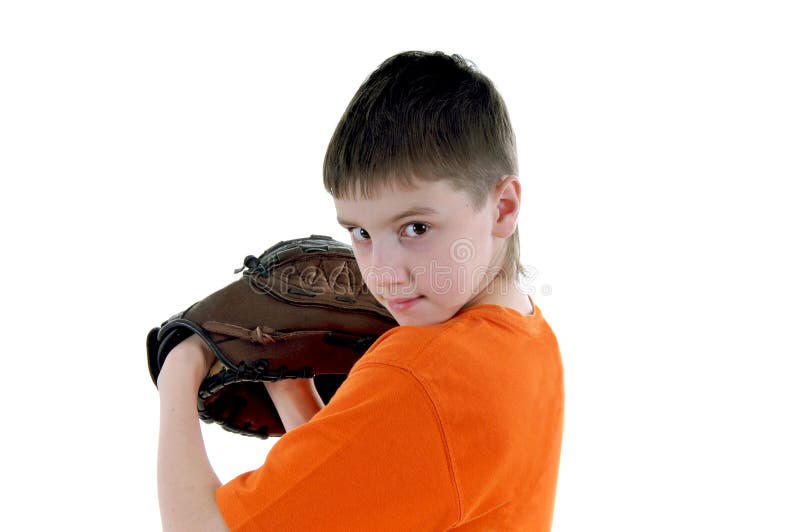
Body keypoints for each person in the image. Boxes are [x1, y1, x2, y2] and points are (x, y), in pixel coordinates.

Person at [157, 50, 564, 531]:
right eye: (361, 233)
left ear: (503, 208)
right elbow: (363, 488)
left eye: (415, 228)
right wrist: (291, 390)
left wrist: (180, 363)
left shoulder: (420, 374)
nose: (383, 274)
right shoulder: (529, 336)